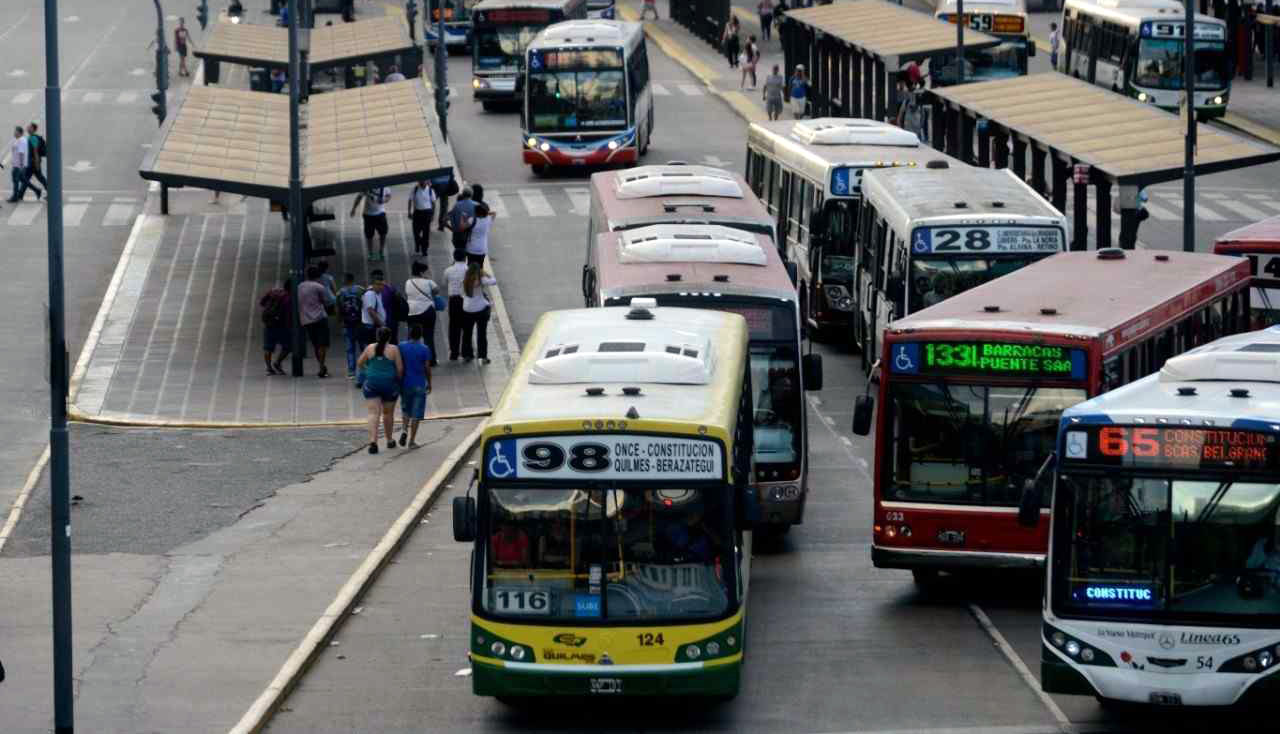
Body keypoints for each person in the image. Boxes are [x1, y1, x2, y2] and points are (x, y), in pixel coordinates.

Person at [356, 326, 403, 454]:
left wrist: (368, 371)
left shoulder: (370, 348)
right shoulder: (394, 349)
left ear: (377, 336)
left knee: (373, 413)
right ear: (389, 337)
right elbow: (400, 370)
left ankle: (373, 442)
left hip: (372, 384)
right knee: (388, 414)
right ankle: (389, 440)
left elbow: (359, 362)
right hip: (389, 385)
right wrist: (398, 381)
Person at [397, 323, 432, 447]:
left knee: (406, 410)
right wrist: (429, 383)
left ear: (409, 334)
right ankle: (411, 441)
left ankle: (404, 430)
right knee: (416, 414)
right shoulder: (425, 349)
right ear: (420, 335)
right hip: (419, 384)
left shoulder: (401, 346)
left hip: (405, 383)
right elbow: (427, 368)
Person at [298, 265, 334, 378]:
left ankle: (322, 366)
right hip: (319, 318)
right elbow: (327, 301)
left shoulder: (300, 286)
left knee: (316, 345)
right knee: (322, 345)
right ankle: (322, 367)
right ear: (318, 276)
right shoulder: (319, 287)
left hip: (306, 320)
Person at [404, 261, 441, 367]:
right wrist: (427, 279)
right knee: (428, 336)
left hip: (412, 312)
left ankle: (410, 359)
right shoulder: (429, 282)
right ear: (422, 272)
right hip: (428, 311)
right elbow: (436, 291)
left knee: (411, 336)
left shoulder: (408, 282)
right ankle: (431, 360)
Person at [460, 262, 497, 364]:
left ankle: (467, 354)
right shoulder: (481, 280)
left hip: (467, 309)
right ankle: (483, 356)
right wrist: (485, 273)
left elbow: (461, 294)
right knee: (482, 334)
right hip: (480, 309)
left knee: (467, 333)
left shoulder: (464, 281)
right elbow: (494, 281)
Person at [336, 273, 366, 378]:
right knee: (363, 346)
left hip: (347, 324)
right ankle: (365, 367)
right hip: (360, 323)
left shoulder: (340, 293)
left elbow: (339, 310)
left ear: (345, 280)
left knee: (350, 349)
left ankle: (351, 371)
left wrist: (339, 322)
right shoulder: (361, 290)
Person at [260, 279, 292, 375]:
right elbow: (288, 314)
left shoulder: (273, 292)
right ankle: (277, 362)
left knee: (268, 347)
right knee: (288, 346)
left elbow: (262, 302)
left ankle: (269, 368)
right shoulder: (288, 298)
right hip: (281, 325)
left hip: (269, 323)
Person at [351, 186, 391, 261]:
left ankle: (381, 251)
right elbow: (359, 197)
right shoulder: (368, 187)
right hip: (368, 214)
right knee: (369, 235)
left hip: (380, 213)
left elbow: (388, 196)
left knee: (383, 233)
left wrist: (384, 200)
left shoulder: (384, 187)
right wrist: (354, 208)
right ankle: (370, 252)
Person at [443, 249, 468, 361]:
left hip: (453, 300)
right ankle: (466, 352)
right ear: (465, 257)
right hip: (466, 300)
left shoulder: (448, 270)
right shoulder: (468, 270)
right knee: (467, 326)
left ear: (454, 257)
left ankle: (454, 353)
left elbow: (444, 283)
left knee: (453, 326)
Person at [4, 126, 37, 202]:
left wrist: (21, 166)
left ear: (19, 132)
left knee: (15, 181)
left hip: (18, 166)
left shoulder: (21, 141)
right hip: (17, 165)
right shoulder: (18, 140)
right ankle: (37, 190)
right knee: (23, 180)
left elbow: (21, 153)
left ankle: (15, 197)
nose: (14, 133)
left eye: (15, 131)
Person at [360, 273, 387, 359]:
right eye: (378, 284)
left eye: (382, 284)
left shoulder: (377, 293)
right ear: (373, 284)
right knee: (371, 350)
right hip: (370, 327)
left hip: (374, 326)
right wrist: (381, 324)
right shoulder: (370, 294)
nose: (381, 287)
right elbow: (371, 311)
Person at [408, 179, 436, 255]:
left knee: (426, 233)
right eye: (421, 181)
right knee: (416, 232)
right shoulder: (415, 189)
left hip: (427, 213)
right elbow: (410, 200)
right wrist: (409, 212)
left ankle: (424, 249)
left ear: (427, 182)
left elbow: (433, 203)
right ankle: (418, 244)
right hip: (417, 213)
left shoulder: (430, 190)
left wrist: (432, 215)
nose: (422, 182)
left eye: (424, 181)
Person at [446, 185, 477, 252]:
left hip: (457, 236)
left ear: (463, 195)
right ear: (472, 195)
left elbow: (445, 220)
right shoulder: (476, 205)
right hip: (470, 236)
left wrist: (453, 229)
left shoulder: (457, 205)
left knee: (458, 255)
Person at [465, 201, 495, 266]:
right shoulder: (488, 219)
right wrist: (485, 212)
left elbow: (464, 227)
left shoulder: (471, 220)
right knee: (480, 267)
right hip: (482, 249)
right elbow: (494, 213)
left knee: (470, 266)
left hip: (471, 248)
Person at [24, 122, 47, 196]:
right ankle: (20, 194)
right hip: (32, 162)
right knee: (25, 178)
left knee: (24, 178)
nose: (27, 128)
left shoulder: (33, 138)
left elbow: (35, 151)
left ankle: (44, 191)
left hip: (33, 163)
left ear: (33, 129)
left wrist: (37, 163)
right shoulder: (31, 137)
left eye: (29, 127)